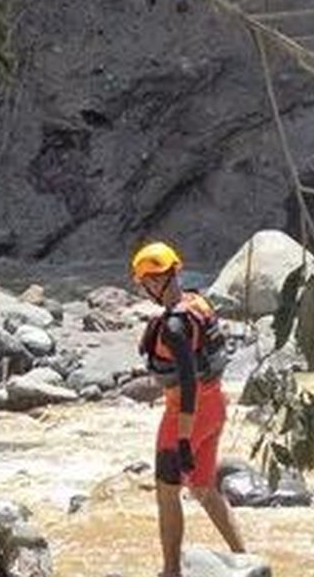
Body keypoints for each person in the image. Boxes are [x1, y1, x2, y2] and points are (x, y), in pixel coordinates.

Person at [131, 241, 245, 577]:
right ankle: (245, 559)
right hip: (215, 408)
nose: (145, 289)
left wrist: (182, 440)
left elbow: (188, 382)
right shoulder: (198, 302)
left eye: (145, 283)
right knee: (204, 488)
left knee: (167, 494)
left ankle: (171, 572)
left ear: (156, 281)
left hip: (184, 416)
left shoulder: (174, 327)